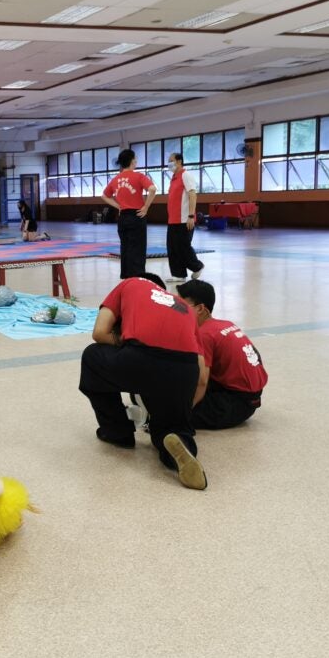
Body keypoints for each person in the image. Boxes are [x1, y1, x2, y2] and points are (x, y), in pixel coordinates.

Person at [79, 272, 209, 490]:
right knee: (170, 428)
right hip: (184, 369)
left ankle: (117, 433)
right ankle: (179, 444)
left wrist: (124, 340)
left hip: (141, 358)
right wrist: (183, 409)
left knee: (92, 357)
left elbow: (99, 333)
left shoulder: (128, 284)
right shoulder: (182, 306)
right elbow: (202, 377)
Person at [177, 280, 267, 429]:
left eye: (181, 304)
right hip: (252, 395)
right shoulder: (226, 324)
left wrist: (185, 410)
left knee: (173, 413)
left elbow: (202, 382)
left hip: (236, 403)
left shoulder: (204, 335)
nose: (176, 308)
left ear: (200, 309)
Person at [101, 149, 155, 279]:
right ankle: (138, 277)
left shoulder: (116, 179)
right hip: (137, 215)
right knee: (138, 248)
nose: (136, 161)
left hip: (123, 217)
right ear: (132, 161)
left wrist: (118, 206)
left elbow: (104, 196)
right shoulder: (138, 176)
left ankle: (126, 276)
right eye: (135, 159)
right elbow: (152, 189)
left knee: (125, 247)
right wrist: (146, 207)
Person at [165, 152, 204, 283]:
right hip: (173, 220)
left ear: (179, 161)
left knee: (183, 246)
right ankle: (178, 274)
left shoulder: (185, 175)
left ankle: (197, 266)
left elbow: (193, 195)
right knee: (172, 248)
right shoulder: (174, 178)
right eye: (168, 161)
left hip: (184, 219)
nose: (169, 163)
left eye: (171, 161)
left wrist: (191, 216)